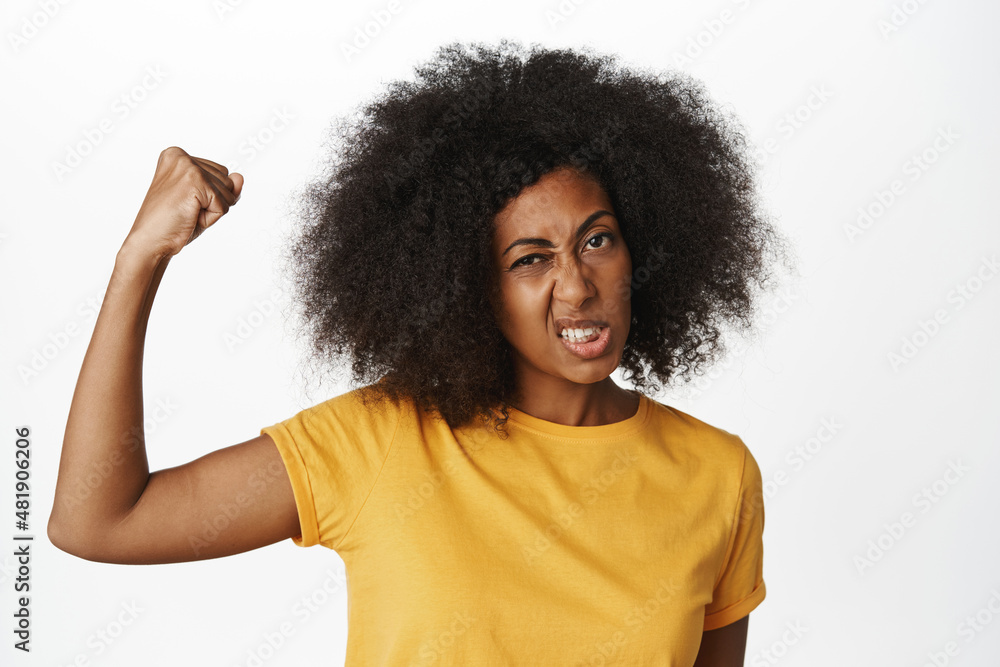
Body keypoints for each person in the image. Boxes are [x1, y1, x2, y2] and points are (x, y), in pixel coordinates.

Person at [49, 39, 792, 666]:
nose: (576, 285)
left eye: (597, 239)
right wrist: (140, 259)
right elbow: (97, 521)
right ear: (468, 285)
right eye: (530, 259)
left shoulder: (717, 475)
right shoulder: (381, 440)